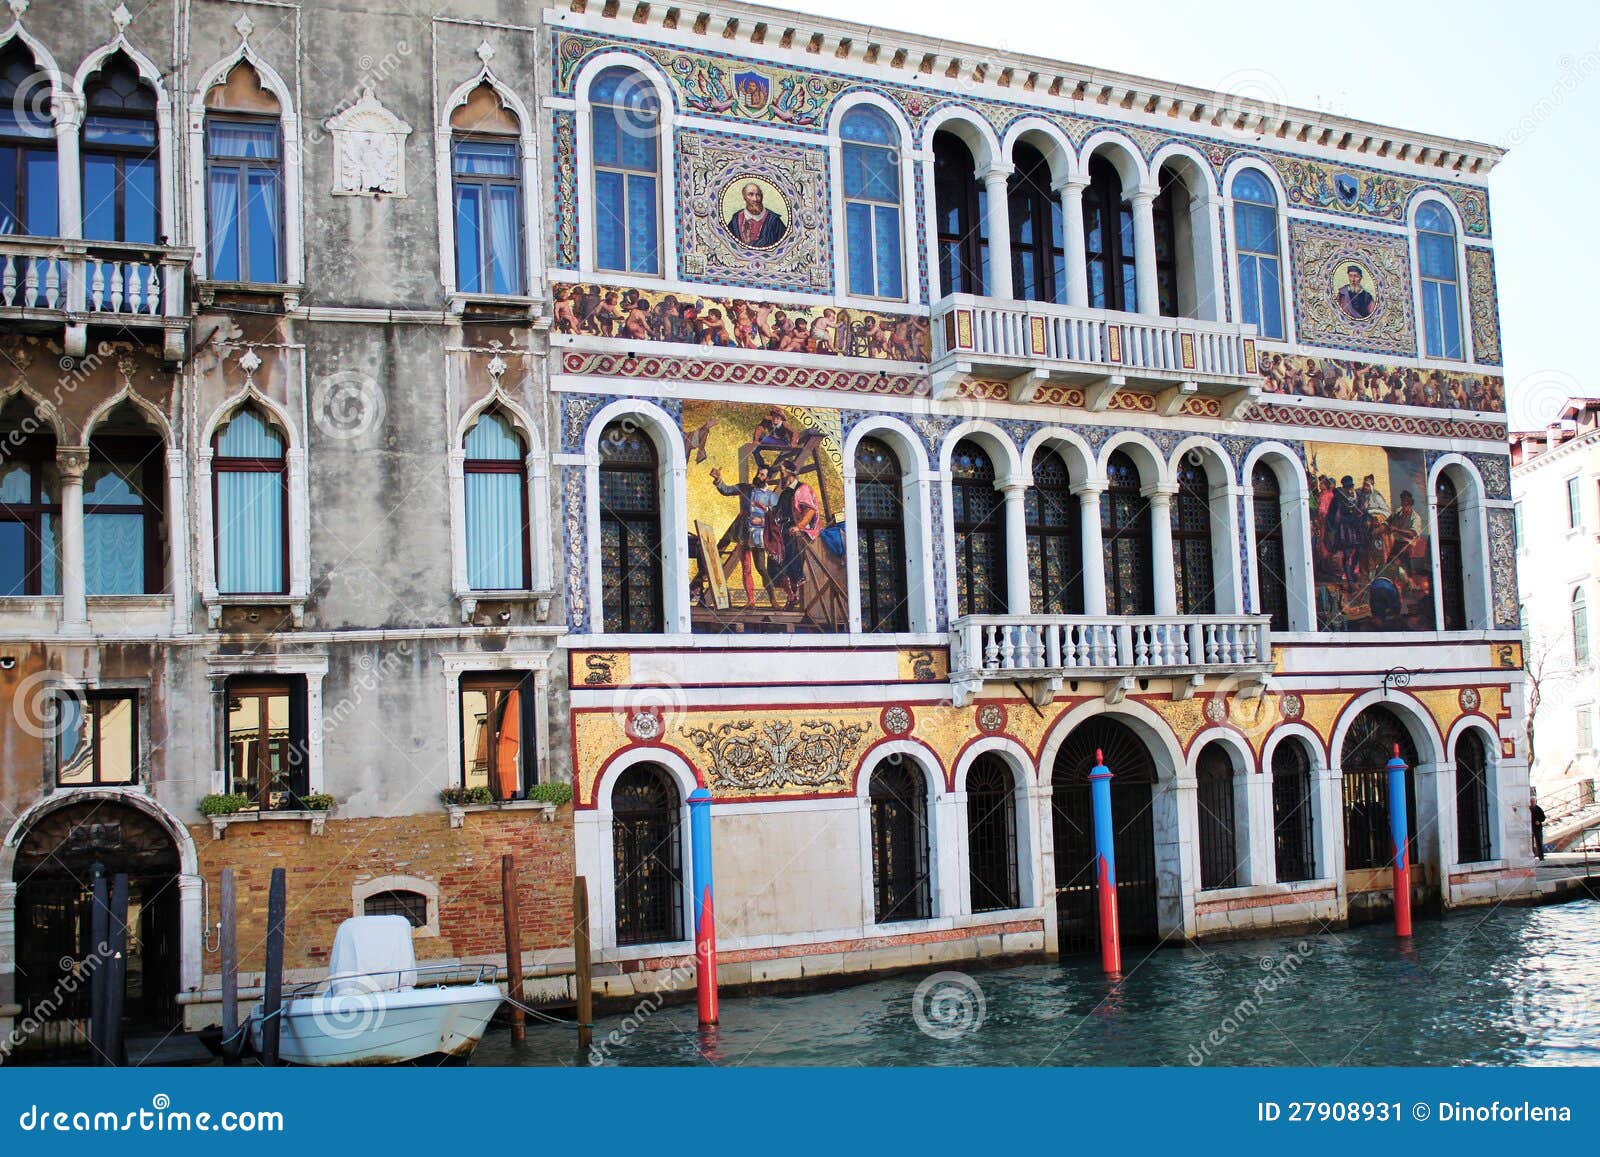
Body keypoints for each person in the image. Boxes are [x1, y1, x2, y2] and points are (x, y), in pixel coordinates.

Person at [710, 464, 781, 610]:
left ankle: (773, 600)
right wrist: (718, 479)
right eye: (758, 473)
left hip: (759, 536)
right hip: (744, 535)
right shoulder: (745, 488)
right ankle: (751, 601)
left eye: (762, 475)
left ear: (768, 478)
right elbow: (727, 490)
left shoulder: (771, 497)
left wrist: (761, 520)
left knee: (761, 568)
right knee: (746, 568)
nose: (758, 476)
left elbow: (777, 518)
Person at [727, 181, 787, 247]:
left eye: (758, 195)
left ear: (762, 197)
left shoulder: (774, 221)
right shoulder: (736, 219)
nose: (755, 199)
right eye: (750, 194)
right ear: (744, 197)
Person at [1530, 792, 1546, 860]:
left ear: (1535, 802)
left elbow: (1543, 817)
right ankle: (1532, 856)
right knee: (1530, 843)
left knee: (1539, 842)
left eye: (1534, 801)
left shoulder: (1538, 808)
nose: (1533, 802)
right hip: (1530, 827)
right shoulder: (1529, 808)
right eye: (1531, 801)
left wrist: (1539, 821)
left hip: (1537, 828)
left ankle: (1541, 857)